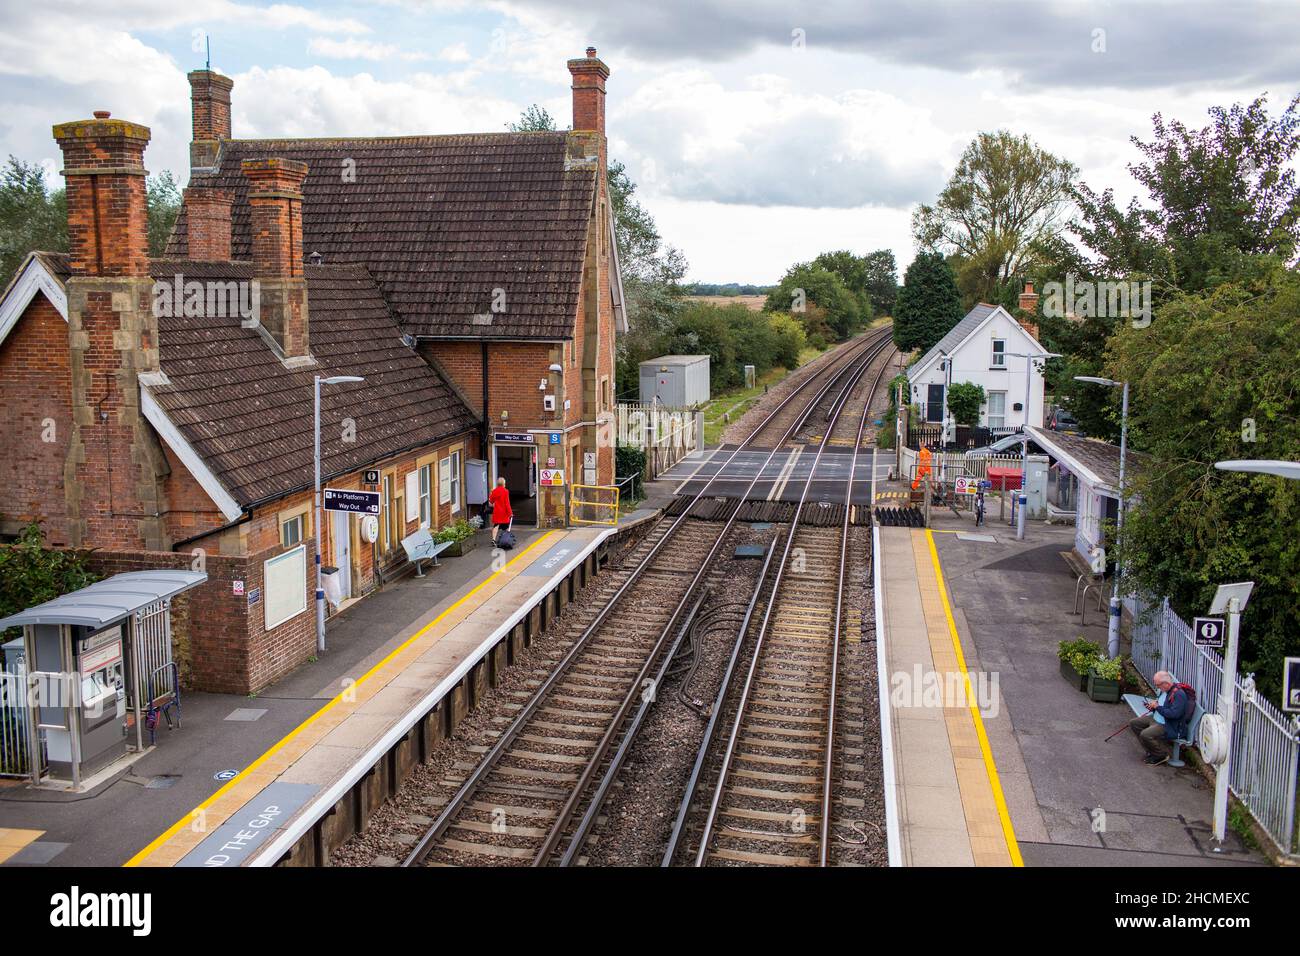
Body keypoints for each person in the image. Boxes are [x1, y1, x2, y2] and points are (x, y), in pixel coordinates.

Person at [1128, 671, 1192, 765]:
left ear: (1166, 683)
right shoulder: (1165, 691)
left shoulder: (1179, 695)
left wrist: (1157, 707)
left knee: (1145, 734)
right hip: (1157, 718)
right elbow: (1161, 704)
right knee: (1134, 723)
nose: (1157, 687)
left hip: (1168, 725)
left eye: (1158, 685)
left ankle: (1160, 755)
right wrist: (1153, 706)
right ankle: (1151, 751)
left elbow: (1174, 714)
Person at [488, 476, 513, 545]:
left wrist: (491, 493)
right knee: (506, 527)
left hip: (497, 511)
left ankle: (493, 539)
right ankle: (505, 539)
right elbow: (507, 503)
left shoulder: (495, 491)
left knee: (496, 526)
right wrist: (510, 513)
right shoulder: (505, 491)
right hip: (504, 512)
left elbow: (491, 501)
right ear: (503, 484)